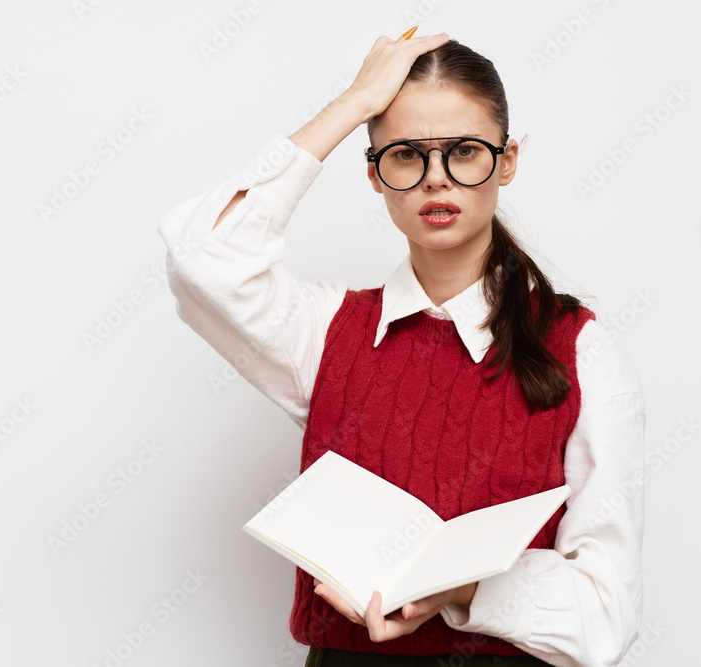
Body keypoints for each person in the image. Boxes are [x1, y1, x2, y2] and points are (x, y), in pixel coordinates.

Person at [157, 31, 646, 667]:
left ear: (508, 160)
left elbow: (607, 615)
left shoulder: (581, 349)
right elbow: (204, 260)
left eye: (465, 151)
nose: (435, 179)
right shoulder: (331, 331)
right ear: (374, 172)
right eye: (406, 155)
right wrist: (353, 103)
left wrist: (463, 587)